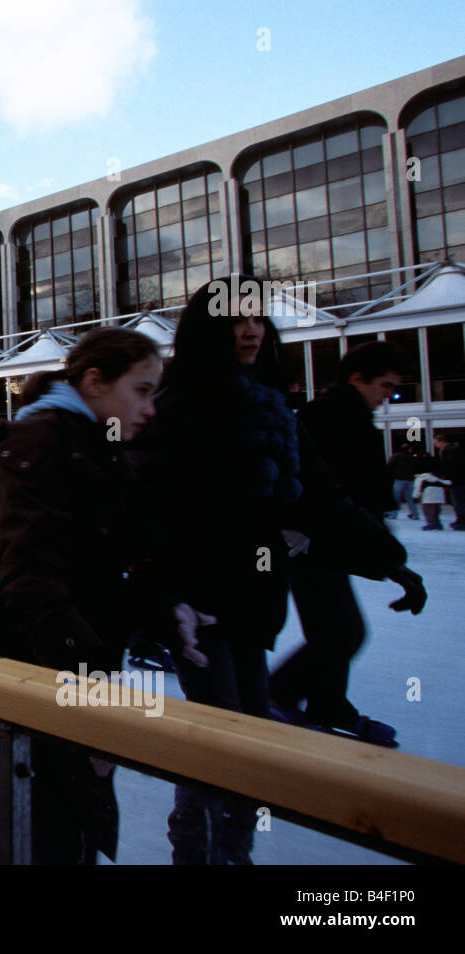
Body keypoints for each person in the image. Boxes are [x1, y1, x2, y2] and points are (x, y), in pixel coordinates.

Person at [127, 276, 422, 865]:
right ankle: (208, 855)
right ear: (209, 329)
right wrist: (164, 592)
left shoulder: (270, 407)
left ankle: (217, 852)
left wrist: (390, 558)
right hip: (195, 606)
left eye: (258, 318)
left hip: (253, 602)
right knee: (228, 742)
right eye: (237, 319)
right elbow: (142, 511)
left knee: (243, 737)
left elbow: (320, 495)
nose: (252, 329)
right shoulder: (173, 408)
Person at [0, 327, 195, 865]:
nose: (151, 408)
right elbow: (31, 580)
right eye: (141, 389)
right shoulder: (40, 443)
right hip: (11, 683)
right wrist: (94, 692)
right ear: (93, 381)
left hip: (44, 681)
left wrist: (166, 608)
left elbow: (113, 560)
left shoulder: (96, 447)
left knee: (37, 833)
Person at [269, 342, 426, 746]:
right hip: (308, 543)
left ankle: (321, 702)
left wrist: (383, 556)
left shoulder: (355, 421)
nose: (387, 396)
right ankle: (282, 696)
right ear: (357, 378)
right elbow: (315, 488)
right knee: (340, 632)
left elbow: (358, 498)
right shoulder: (326, 418)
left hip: (332, 542)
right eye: (384, 386)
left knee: (337, 631)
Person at [432, 433, 464, 529]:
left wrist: (446, 476)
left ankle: (462, 522)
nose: (435, 445)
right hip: (458, 479)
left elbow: (450, 466)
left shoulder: (449, 451)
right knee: (458, 501)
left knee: (458, 501)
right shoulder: (454, 449)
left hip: (457, 480)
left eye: (436, 443)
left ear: (442, 441)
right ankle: (460, 520)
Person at [387, 443, 423, 520]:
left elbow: (389, 466)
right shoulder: (413, 458)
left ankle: (393, 514)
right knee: (410, 498)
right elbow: (418, 467)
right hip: (410, 479)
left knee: (396, 497)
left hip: (399, 479)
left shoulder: (396, 456)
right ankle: (415, 514)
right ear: (409, 449)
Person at [414, 465, 451, 530]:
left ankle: (432, 523)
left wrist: (415, 496)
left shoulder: (421, 477)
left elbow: (418, 487)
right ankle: (437, 523)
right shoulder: (435, 476)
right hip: (439, 495)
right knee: (436, 510)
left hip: (428, 496)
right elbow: (445, 483)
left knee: (428, 510)